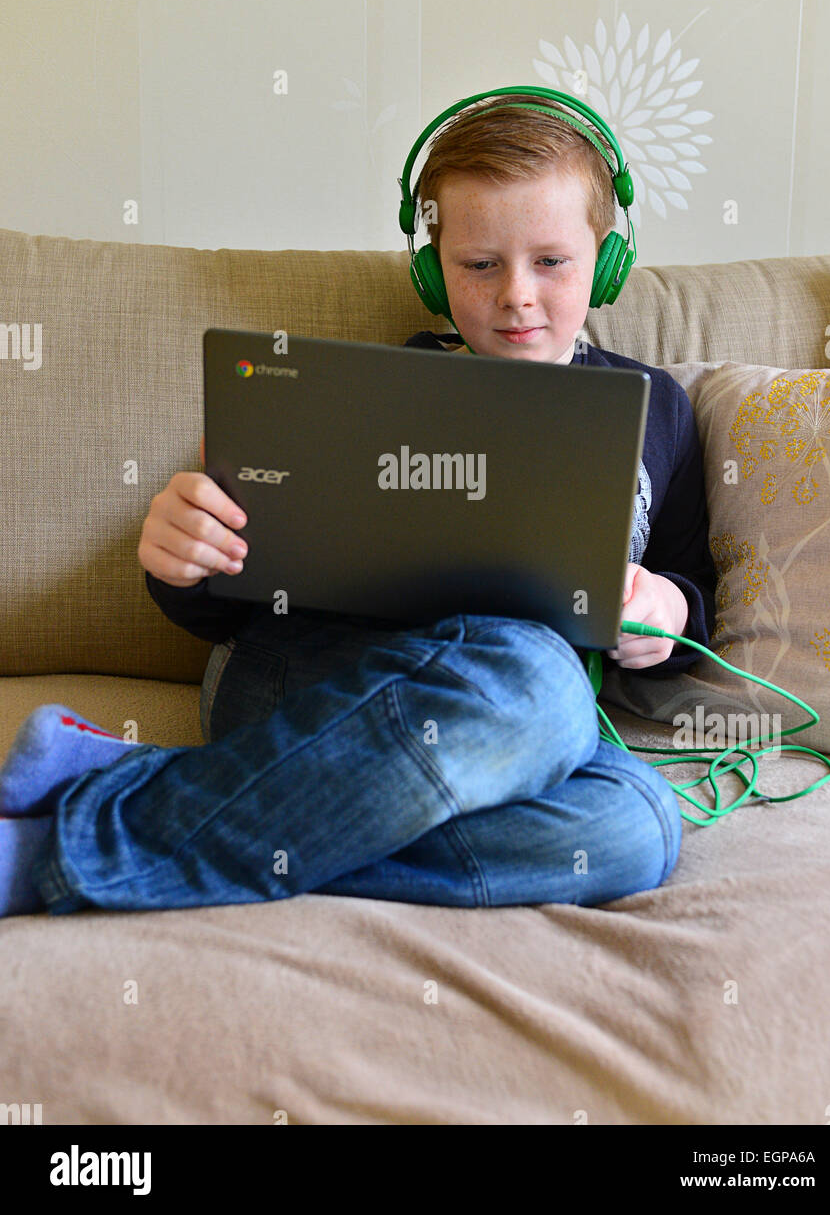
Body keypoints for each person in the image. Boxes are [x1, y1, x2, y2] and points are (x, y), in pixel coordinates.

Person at [0, 92, 715, 917]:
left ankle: (120, 792)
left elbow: (695, 599)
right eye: (479, 265)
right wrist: (182, 564)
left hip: (509, 741)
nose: (516, 295)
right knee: (542, 682)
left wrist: (666, 612)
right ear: (430, 271)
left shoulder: (656, 408)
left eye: (550, 261)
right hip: (306, 681)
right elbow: (228, 602)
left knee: (637, 830)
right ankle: (71, 854)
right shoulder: (356, 395)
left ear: (607, 259)